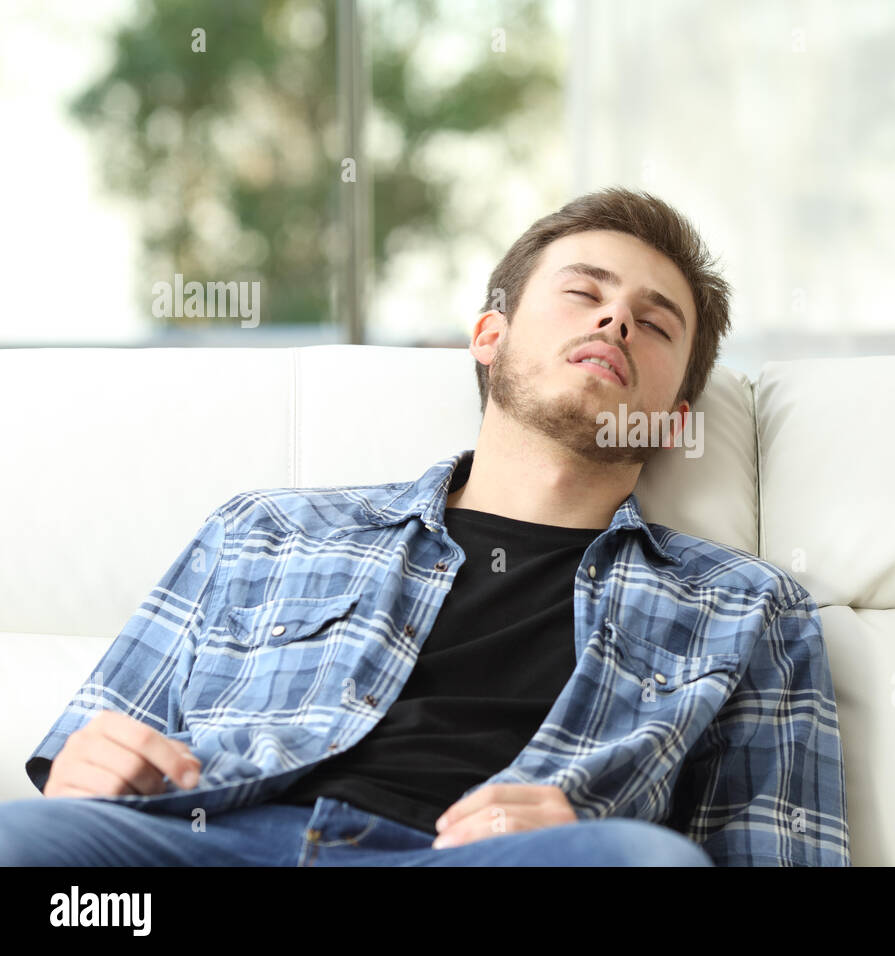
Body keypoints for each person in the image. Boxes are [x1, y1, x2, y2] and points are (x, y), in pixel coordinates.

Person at [2, 187, 850, 867]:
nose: (616, 321)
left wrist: (576, 824)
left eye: (655, 321)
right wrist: (84, 769)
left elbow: (775, 853)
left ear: (672, 420)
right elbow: (91, 749)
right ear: (489, 336)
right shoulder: (264, 530)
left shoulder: (746, 609)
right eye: (584, 293)